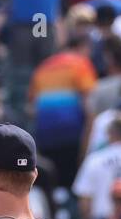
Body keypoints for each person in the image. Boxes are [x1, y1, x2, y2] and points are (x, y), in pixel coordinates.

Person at [27, 33, 99, 187]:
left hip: (45, 135)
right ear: (83, 48)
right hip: (72, 135)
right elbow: (89, 104)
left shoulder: (43, 67)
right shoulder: (81, 64)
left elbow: (32, 108)